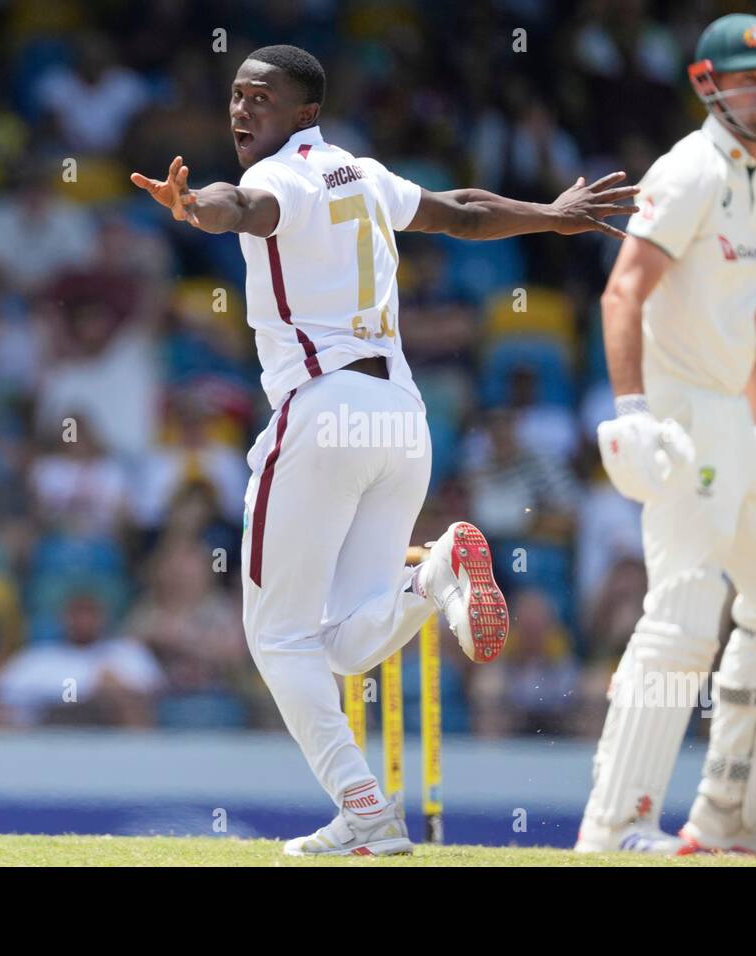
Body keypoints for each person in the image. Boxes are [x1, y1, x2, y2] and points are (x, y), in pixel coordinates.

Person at [131, 44, 638, 856]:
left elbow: (239, 205)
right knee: (340, 639)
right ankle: (434, 576)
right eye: (234, 96)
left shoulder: (278, 180)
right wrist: (550, 212)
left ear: (304, 113)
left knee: (276, 638)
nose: (239, 111)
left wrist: (198, 211)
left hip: (324, 409)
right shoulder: (362, 174)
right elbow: (463, 213)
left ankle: (366, 814)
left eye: (260, 98)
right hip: (401, 417)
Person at [577, 14, 756, 857]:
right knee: (687, 613)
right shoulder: (687, 172)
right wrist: (631, 410)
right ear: (707, 84)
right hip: (681, 415)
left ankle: (731, 814)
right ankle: (617, 827)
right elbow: (624, 292)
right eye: (748, 79)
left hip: (738, 420)